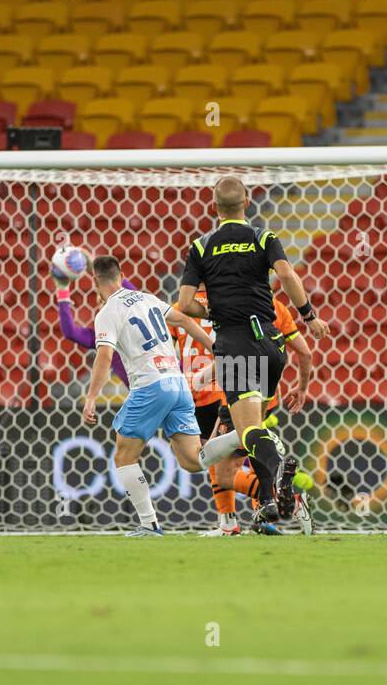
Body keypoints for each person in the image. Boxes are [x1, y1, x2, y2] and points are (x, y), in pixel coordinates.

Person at [175, 176, 329, 530]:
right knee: (251, 430)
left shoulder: (201, 247)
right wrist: (310, 316)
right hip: (272, 346)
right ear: (247, 200)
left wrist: (215, 309)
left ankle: (278, 477)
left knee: (247, 433)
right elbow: (287, 274)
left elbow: (184, 304)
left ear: (214, 207)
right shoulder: (264, 237)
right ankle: (270, 497)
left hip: (237, 346)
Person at [81, 256, 217, 536]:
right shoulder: (147, 298)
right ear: (121, 274)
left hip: (151, 385)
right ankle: (246, 436)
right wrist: (215, 347)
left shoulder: (108, 312)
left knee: (123, 456)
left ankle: (149, 524)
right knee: (193, 461)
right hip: (177, 383)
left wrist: (91, 397)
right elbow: (185, 320)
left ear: (94, 280)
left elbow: (104, 357)